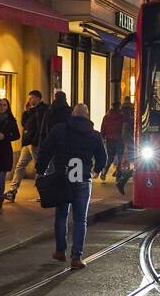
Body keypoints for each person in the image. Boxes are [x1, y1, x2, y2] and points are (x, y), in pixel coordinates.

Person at [36, 102, 108, 269]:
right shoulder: (94, 135)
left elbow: (46, 150)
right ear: (88, 116)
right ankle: (76, 257)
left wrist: (40, 170)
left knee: (61, 215)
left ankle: (60, 250)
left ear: (72, 114)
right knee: (80, 219)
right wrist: (96, 171)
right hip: (82, 179)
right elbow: (102, 157)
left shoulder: (59, 130)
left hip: (63, 178)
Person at [7, 89, 45, 203]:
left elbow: (41, 127)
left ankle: (43, 192)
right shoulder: (30, 111)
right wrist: (26, 112)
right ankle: (12, 190)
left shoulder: (42, 110)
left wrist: (36, 140)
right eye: (29, 98)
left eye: (32, 97)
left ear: (38, 98)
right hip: (27, 143)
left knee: (40, 168)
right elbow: (24, 123)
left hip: (36, 143)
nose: (30, 100)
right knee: (20, 165)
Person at [115, 97, 136, 196]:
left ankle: (121, 178)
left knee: (139, 165)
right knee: (141, 165)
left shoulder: (124, 118)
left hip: (126, 142)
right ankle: (121, 178)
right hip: (131, 143)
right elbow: (126, 134)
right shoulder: (129, 121)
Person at [100, 102, 123, 180]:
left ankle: (104, 172)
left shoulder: (106, 117)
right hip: (119, 140)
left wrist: (102, 137)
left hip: (109, 140)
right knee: (120, 157)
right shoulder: (122, 117)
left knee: (110, 158)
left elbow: (103, 128)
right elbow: (125, 128)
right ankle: (118, 174)